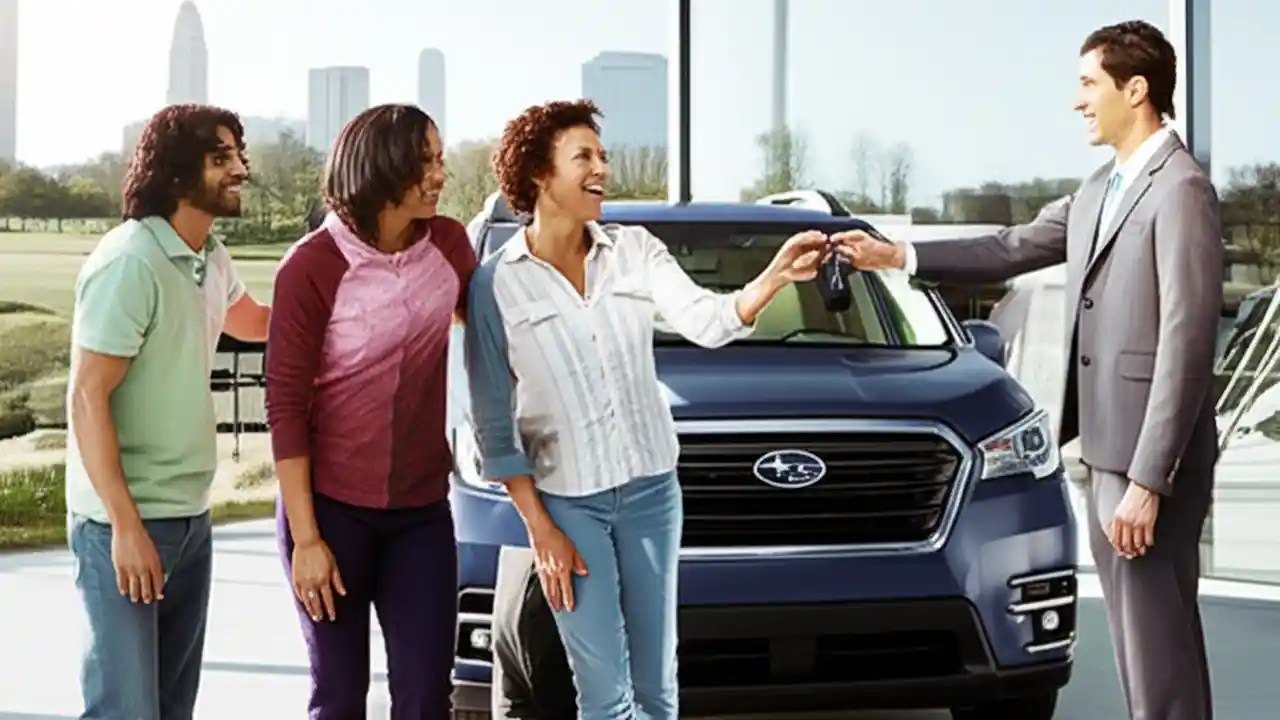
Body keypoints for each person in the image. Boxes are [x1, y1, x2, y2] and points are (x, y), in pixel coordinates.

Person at [838, 20, 1219, 720]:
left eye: (1089, 84)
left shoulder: (1181, 188)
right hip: (1107, 451)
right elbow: (1010, 247)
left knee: (1159, 652)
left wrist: (1147, 481)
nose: (1078, 101)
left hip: (1148, 465)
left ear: (1136, 89)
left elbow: (1187, 343)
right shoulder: (1102, 187)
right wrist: (897, 256)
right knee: (1145, 650)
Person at [463, 98, 835, 720]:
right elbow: (494, 425)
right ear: (538, 174)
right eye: (583, 156)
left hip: (651, 494)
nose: (601, 168)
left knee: (658, 691)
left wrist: (771, 279)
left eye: (602, 155)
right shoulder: (496, 284)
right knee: (606, 697)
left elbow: (708, 320)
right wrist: (540, 529)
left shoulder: (634, 250)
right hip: (569, 505)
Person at [265, 103, 477, 719]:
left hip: (420, 514)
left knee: (426, 698)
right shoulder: (312, 266)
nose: (440, 174)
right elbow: (285, 406)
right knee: (339, 698)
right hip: (330, 514)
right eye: (425, 161)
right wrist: (307, 539)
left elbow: (492, 333)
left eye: (440, 159)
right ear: (382, 167)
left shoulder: (450, 245)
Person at [65, 103, 271, 720]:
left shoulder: (210, 257)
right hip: (122, 526)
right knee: (125, 711)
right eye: (221, 157)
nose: (239, 169)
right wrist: (125, 528)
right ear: (178, 172)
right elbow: (87, 398)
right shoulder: (130, 262)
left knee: (171, 709)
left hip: (189, 520)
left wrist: (345, 277)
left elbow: (258, 324)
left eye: (239, 154)